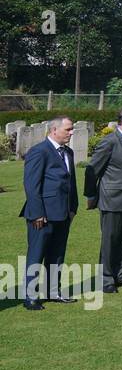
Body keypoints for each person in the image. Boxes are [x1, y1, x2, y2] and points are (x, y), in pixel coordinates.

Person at [19, 116, 79, 309]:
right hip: (42, 215)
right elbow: (31, 185)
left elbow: (71, 183)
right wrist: (37, 213)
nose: (71, 133)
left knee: (57, 255)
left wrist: (73, 208)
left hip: (63, 213)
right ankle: (31, 297)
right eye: (68, 129)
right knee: (36, 255)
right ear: (54, 130)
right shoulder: (39, 151)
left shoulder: (68, 152)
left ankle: (53, 292)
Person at [84, 108, 122, 293]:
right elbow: (91, 170)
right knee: (110, 241)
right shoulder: (109, 142)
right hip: (112, 199)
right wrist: (91, 196)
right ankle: (106, 279)